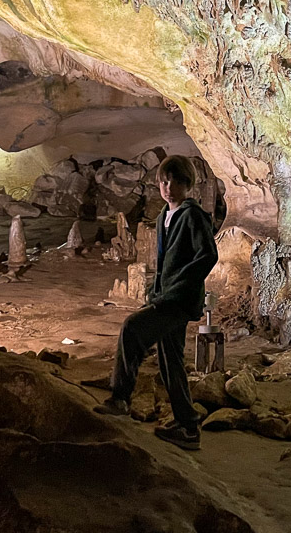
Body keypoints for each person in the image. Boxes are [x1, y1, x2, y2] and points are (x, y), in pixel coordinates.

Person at [94, 155, 219, 450]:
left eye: (174, 182)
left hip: (179, 299)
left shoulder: (192, 215)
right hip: (166, 295)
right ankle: (187, 425)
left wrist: (181, 284)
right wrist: (155, 290)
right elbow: (164, 262)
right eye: (163, 182)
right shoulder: (165, 214)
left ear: (187, 184)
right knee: (170, 361)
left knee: (132, 328)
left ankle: (121, 398)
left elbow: (208, 255)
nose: (168, 187)